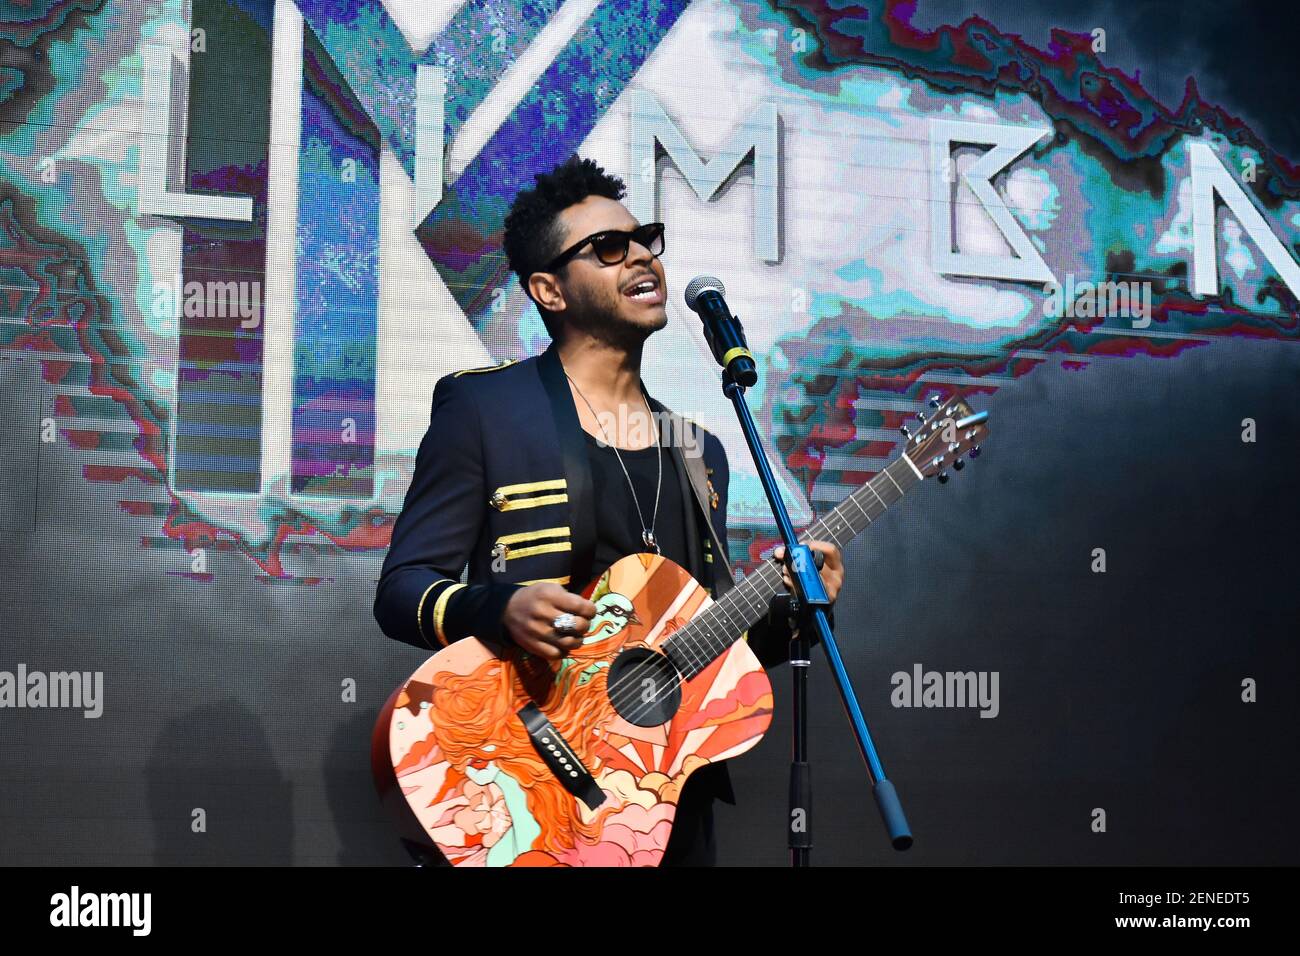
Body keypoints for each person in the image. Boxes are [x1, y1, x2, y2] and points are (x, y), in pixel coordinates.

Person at [374, 155, 843, 866]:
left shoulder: (698, 450)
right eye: (608, 248)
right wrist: (497, 607)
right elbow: (402, 588)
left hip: (661, 798)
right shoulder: (485, 410)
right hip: (523, 776)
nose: (643, 258)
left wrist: (795, 611)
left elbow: (704, 646)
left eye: (644, 238)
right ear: (548, 289)